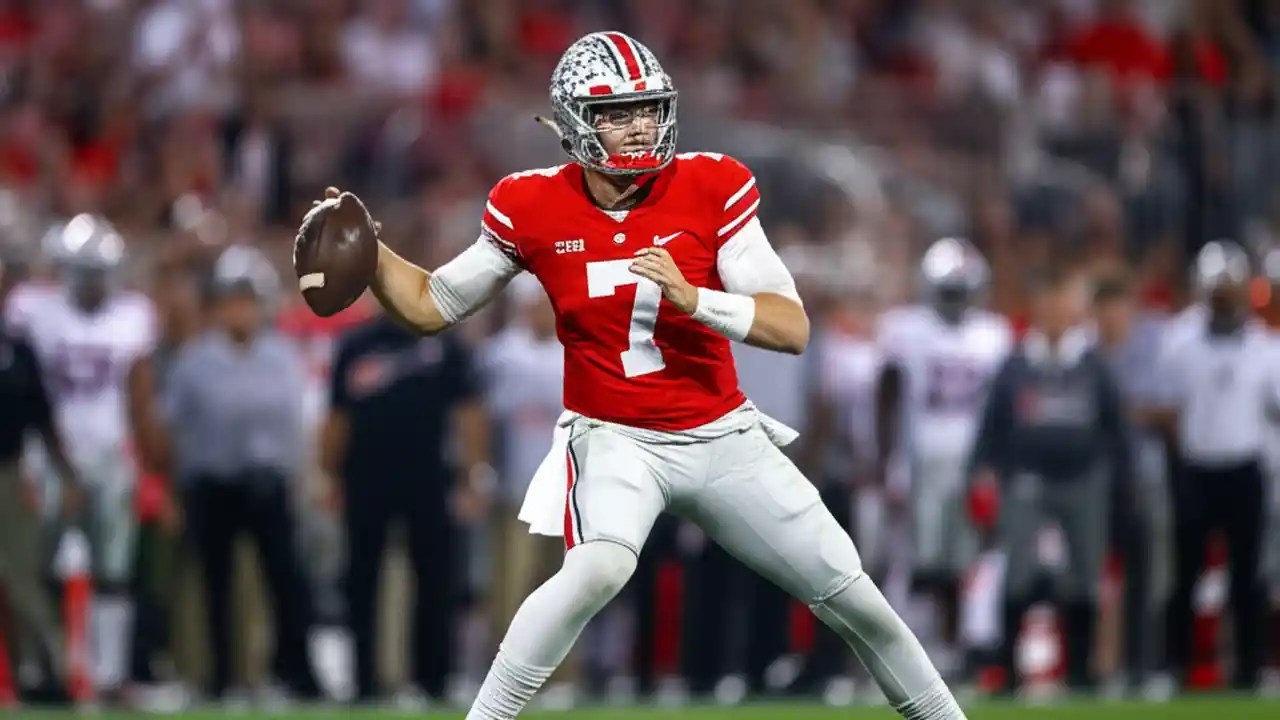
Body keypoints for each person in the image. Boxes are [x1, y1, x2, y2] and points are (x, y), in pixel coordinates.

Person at [310, 31, 967, 720]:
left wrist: (696, 299)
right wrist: (373, 256)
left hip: (720, 434)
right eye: (617, 113)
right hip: (614, 437)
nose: (640, 126)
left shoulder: (712, 185)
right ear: (574, 122)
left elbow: (789, 325)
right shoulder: (529, 204)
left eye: (648, 109)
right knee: (599, 567)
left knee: (853, 595)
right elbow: (433, 304)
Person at [4, 215, 155, 698]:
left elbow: (138, 394)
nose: (93, 282)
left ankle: (110, 676)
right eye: (85, 271)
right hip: (48, 457)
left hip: (111, 453)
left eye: (99, 272)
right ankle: (52, 670)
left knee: (113, 570)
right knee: (40, 568)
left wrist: (144, 459)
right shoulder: (32, 309)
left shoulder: (132, 314)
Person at [163, 245, 320, 702]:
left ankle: (296, 674)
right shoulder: (194, 361)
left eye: (247, 301)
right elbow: (176, 430)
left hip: (269, 481)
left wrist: (300, 475)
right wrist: (175, 487)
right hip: (213, 483)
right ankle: (217, 678)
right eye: (231, 301)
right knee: (216, 585)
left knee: (286, 582)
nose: (240, 311)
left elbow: (295, 424)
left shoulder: (282, 357)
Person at [321, 284, 491, 704]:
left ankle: (433, 680)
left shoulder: (442, 340)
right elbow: (338, 417)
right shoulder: (355, 344)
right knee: (362, 581)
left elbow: (468, 412)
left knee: (436, 579)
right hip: (365, 478)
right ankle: (363, 683)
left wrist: (472, 476)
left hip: (429, 477)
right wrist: (329, 475)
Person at [967, 266, 1134, 692]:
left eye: (1062, 306)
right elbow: (993, 422)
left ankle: (1081, 667)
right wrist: (981, 469)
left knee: (1085, 573)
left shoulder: (1092, 363)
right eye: (1049, 306)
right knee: (1018, 571)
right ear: (1038, 309)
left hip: (1084, 478)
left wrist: (1122, 478)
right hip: (1028, 478)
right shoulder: (1018, 362)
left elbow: (1115, 426)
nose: (1056, 315)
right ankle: (1007, 668)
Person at [874, 237, 1012, 678]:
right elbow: (887, 395)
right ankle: (926, 646)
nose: (955, 300)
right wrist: (887, 458)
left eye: (961, 291)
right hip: (924, 457)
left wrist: (998, 465)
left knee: (964, 559)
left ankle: (959, 645)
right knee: (923, 560)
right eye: (949, 291)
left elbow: (1003, 407)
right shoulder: (907, 329)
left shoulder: (993, 334)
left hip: (974, 461)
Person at [1154, 241, 1279, 690]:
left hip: (1244, 468)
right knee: (1185, 574)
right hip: (1196, 469)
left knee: (1247, 576)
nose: (1224, 297)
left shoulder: (1265, 345)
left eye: (1230, 288)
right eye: (1217, 289)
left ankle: (1248, 668)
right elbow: (1167, 409)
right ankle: (1177, 667)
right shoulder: (1179, 340)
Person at [0, 249, 81, 700]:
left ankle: (44, 671)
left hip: (8, 472)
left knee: (22, 578)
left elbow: (42, 417)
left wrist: (65, 473)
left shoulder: (17, 346)